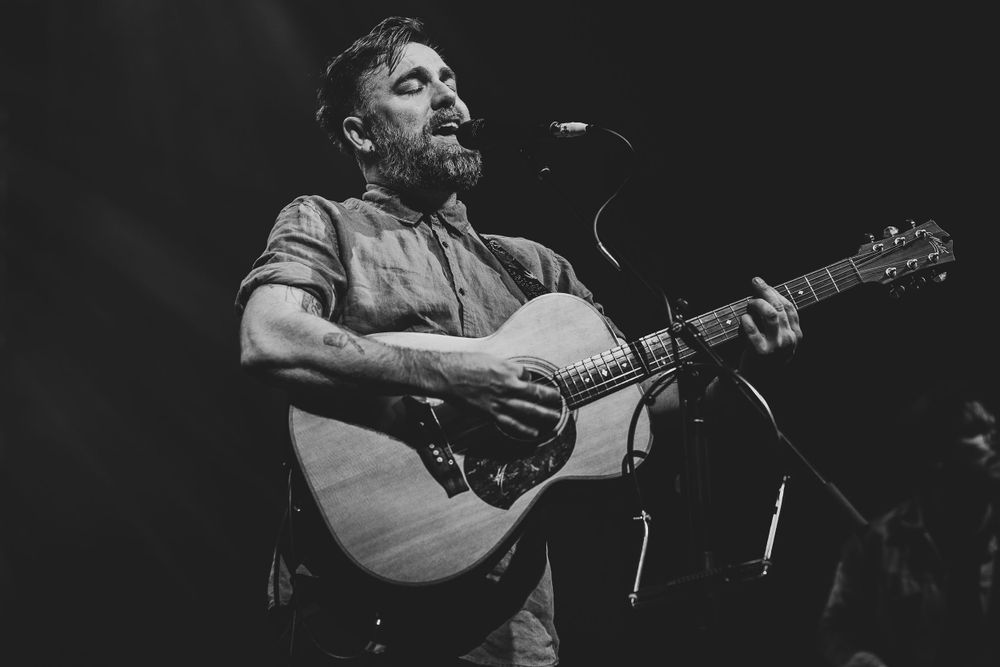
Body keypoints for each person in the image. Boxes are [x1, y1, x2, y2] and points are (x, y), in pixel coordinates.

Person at [235, 16, 802, 666]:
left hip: (513, 629)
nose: (447, 95)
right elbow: (269, 336)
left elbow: (639, 400)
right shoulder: (327, 223)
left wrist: (740, 365)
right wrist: (458, 375)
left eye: (449, 79)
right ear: (361, 132)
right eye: (412, 84)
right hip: (360, 615)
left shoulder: (536, 268)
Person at [819, 379, 1000, 667]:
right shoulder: (876, 544)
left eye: (993, 427)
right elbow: (837, 629)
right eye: (977, 430)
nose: (994, 438)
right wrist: (857, 659)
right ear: (937, 455)